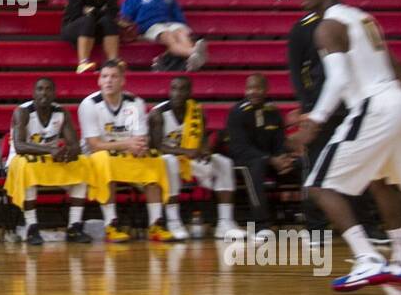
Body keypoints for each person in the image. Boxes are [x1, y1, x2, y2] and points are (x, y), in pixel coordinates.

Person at [288, 0, 401, 292]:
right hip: (399, 101)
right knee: (382, 182)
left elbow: (340, 80)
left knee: (319, 186)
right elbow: (396, 66)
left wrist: (315, 121)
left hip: (374, 104)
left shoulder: (327, 27)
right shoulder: (364, 19)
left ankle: (367, 258)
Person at [78, 61, 172, 243]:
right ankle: (111, 224)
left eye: (114, 76)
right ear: (99, 81)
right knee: (104, 160)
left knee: (154, 160)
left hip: (124, 152)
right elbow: (94, 144)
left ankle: (156, 224)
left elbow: (140, 140)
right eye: (104, 76)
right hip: (95, 156)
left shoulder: (135, 103)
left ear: (122, 81)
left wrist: (136, 146)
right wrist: (128, 143)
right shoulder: (89, 104)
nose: (108, 81)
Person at [148, 76, 243, 242]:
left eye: (182, 89)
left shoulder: (197, 111)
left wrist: (206, 149)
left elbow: (204, 138)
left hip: (189, 159)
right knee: (169, 160)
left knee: (224, 163)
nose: (177, 93)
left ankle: (225, 223)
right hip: (162, 162)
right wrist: (184, 151)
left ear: (189, 92)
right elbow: (156, 147)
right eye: (174, 89)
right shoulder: (158, 113)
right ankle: (173, 221)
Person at [4, 77, 93, 245]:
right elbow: (20, 146)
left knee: (82, 164)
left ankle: (74, 226)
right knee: (26, 167)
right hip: (19, 161)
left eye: (48, 89)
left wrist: (68, 152)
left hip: (49, 160)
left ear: (54, 93)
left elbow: (75, 145)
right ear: (33, 93)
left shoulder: (61, 112)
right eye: (40, 89)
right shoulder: (22, 112)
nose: (44, 93)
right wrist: (51, 149)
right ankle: (31, 228)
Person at [225, 74, 297, 237]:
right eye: (249, 88)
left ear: (266, 90)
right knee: (256, 166)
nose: (253, 92)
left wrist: (282, 158)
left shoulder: (273, 112)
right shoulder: (237, 113)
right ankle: (261, 225)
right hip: (244, 159)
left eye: (257, 88)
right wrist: (270, 159)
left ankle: (313, 222)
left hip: (270, 159)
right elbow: (240, 147)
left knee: (301, 163)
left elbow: (279, 141)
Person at [119, 0, 206, 72]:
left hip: (171, 24)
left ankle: (193, 58)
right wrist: (135, 33)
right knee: (168, 36)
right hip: (150, 27)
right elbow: (125, 18)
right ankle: (193, 53)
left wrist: (183, 28)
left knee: (182, 32)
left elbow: (179, 18)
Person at [62, 0, 120, 74]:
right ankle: (83, 63)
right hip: (74, 27)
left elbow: (113, 9)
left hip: (97, 26)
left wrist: (92, 11)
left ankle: (113, 61)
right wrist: (100, 11)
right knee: (87, 21)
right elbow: (75, 13)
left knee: (108, 21)